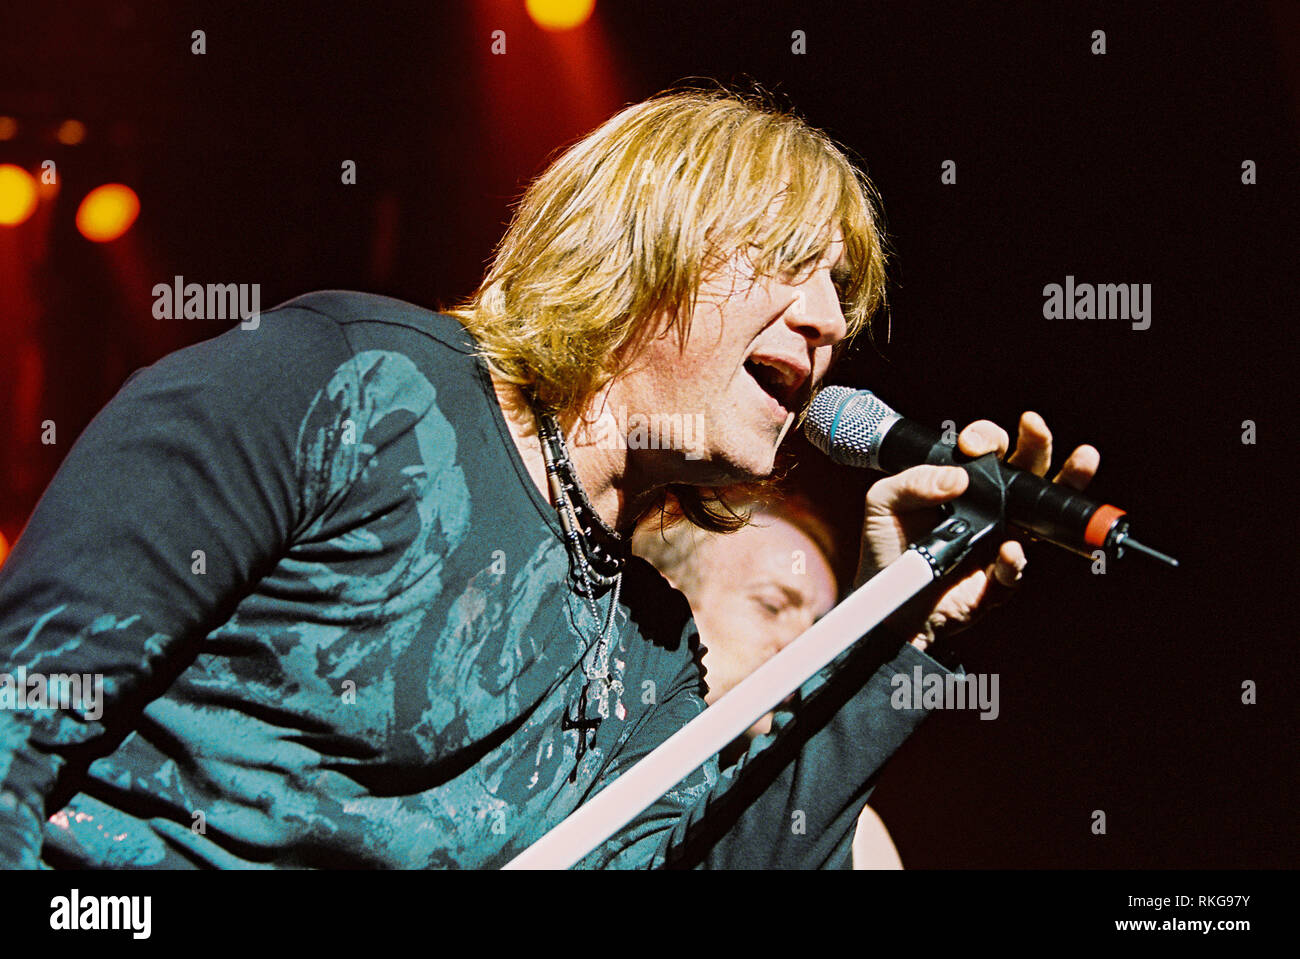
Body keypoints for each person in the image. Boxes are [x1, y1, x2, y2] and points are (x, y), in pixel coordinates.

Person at [0, 87, 1098, 869]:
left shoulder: (653, 650)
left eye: (839, 296)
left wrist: (895, 629)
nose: (821, 321)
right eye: (783, 260)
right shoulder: (345, 385)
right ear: (634, 251)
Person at [633, 492, 904, 868]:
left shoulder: (854, 835)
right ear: (665, 596)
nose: (810, 648)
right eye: (772, 606)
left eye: (817, 626)